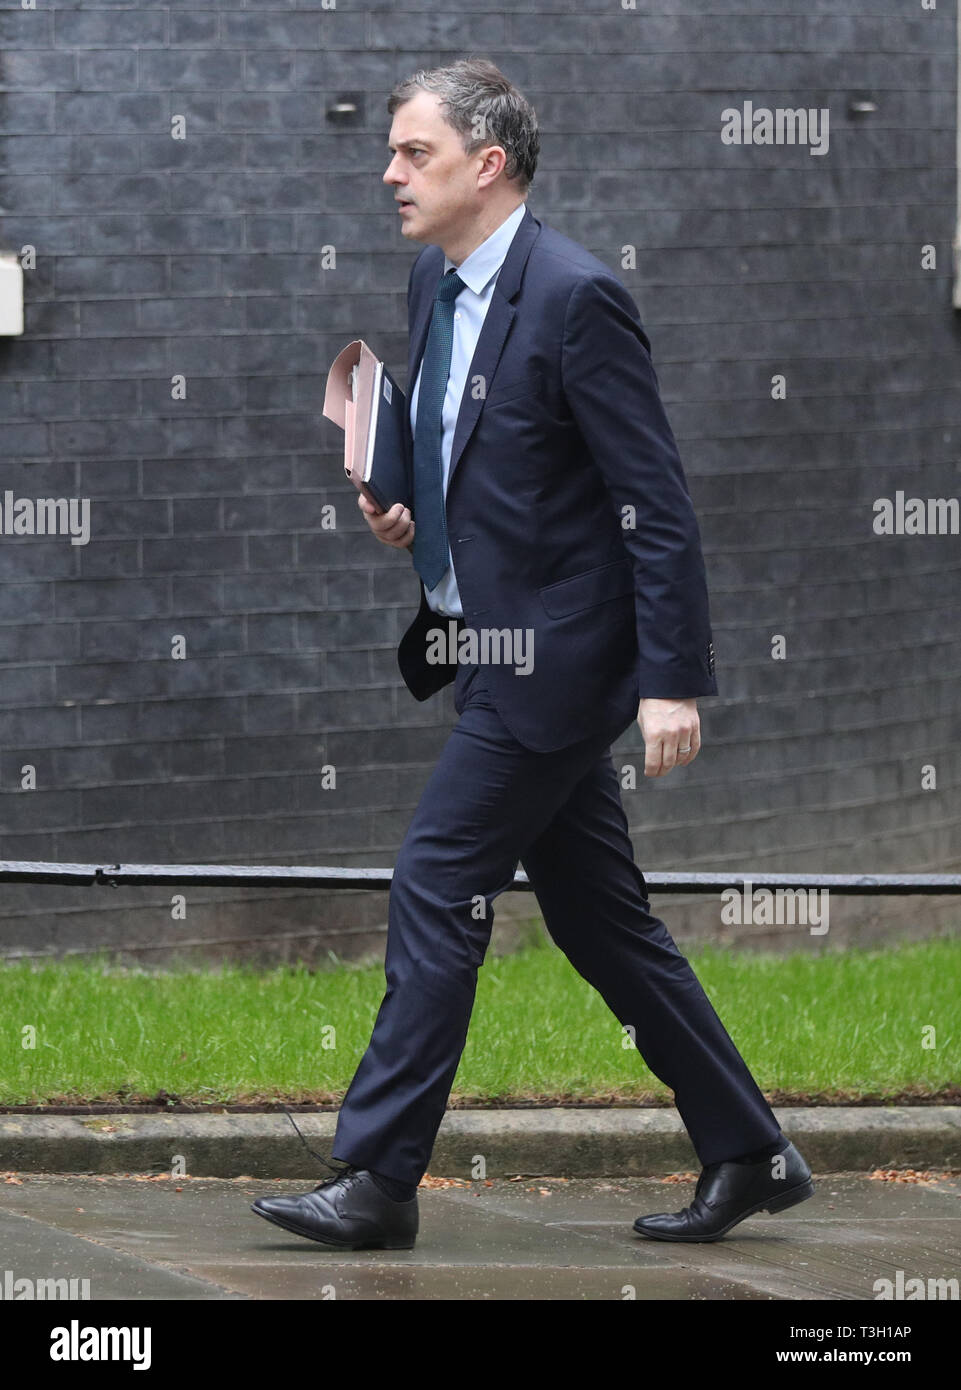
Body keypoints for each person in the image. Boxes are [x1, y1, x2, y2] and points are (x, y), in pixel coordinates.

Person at [251, 57, 814, 1251]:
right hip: (484, 644)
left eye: (414, 152)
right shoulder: (433, 280)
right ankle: (751, 1148)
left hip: (555, 667)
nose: (389, 171)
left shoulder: (575, 297)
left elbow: (652, 503)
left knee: (434, 875)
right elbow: (463, 446)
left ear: (487, 164)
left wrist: (671, 680)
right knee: (604, 922)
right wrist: (401, 507)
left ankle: (376, 1178)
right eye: (394, 152)